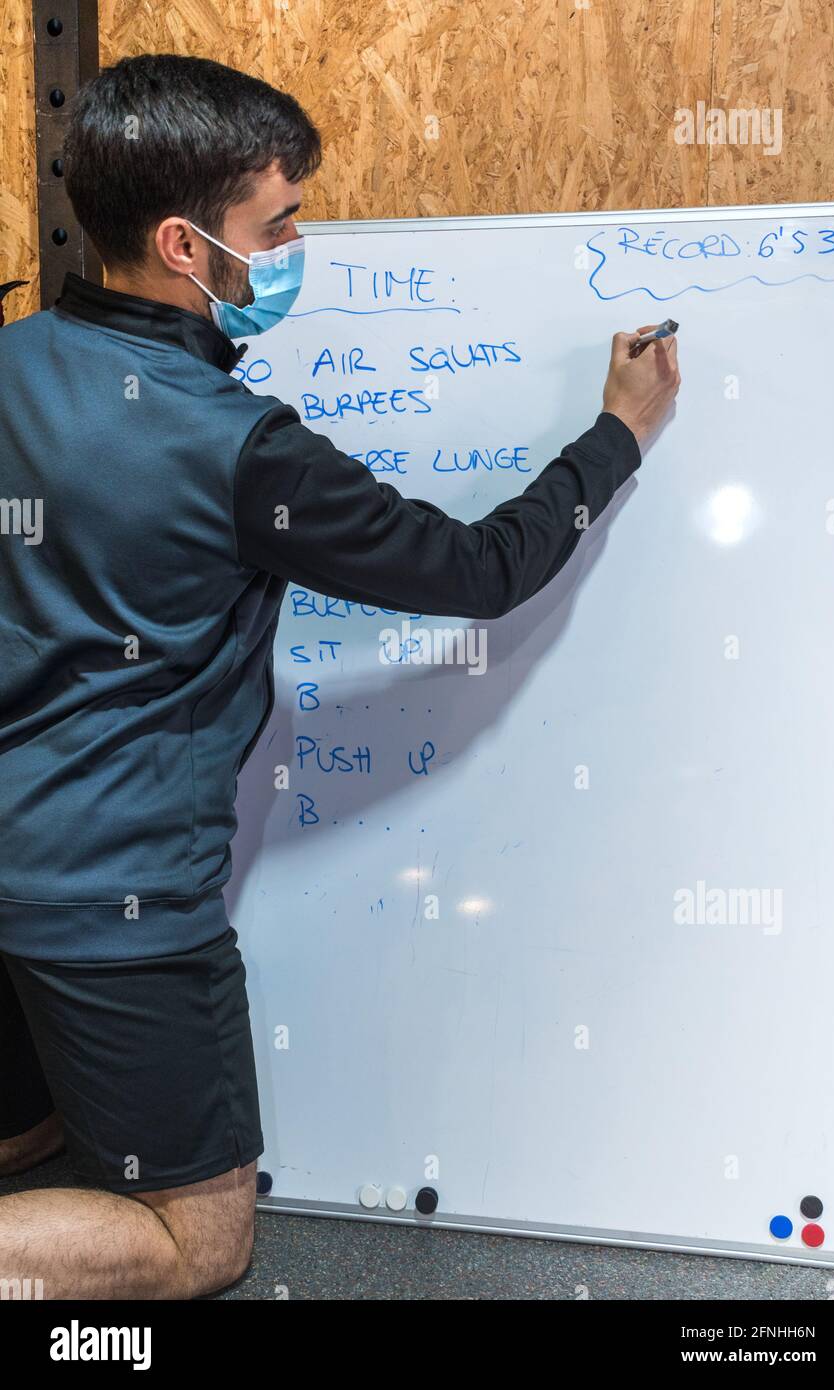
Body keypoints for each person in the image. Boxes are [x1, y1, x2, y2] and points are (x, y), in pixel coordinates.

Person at [0, 53, 680, 1299]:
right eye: (279, 222)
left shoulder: (13, 364)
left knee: (28, 1141)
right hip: (116, 900)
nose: (300, 241)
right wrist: (615, 434)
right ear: (183, 244)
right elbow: (477, 570)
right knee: (195, 1244)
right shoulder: (233, 449)